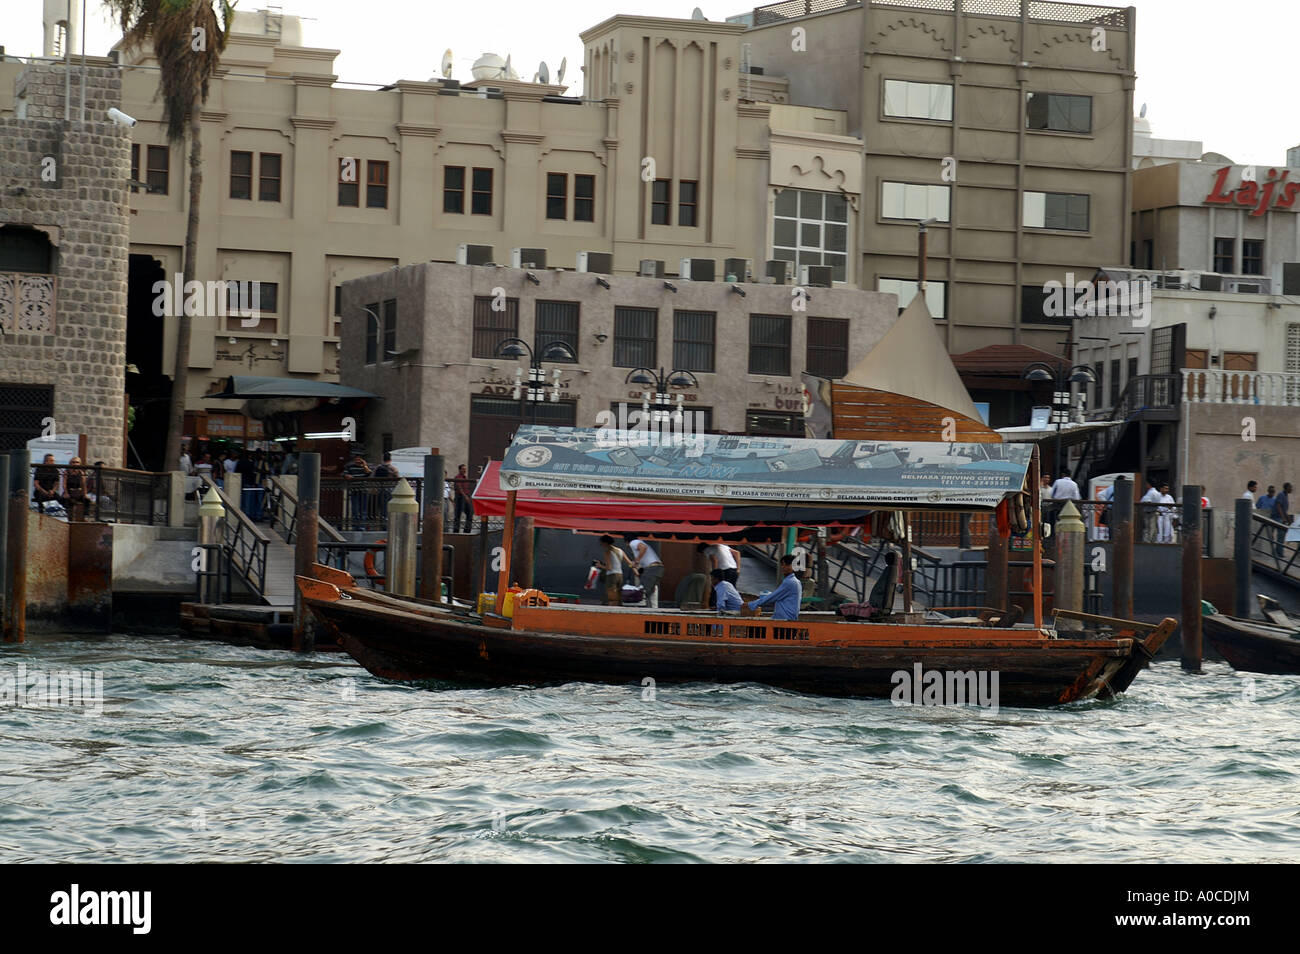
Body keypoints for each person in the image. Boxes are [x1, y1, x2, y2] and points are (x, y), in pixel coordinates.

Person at [745, 554, 802, 621]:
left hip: (784, 619)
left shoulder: (790, 582)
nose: (783, 567)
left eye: (786, 565)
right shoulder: (796, 581)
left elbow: (773, 597)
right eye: (782, 564)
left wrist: (751, 604)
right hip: (787, 618)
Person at [625, 533, 665, 608]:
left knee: (644, 592)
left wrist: (636, 561)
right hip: (658, 568)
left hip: (652, 568)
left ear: (627, 541)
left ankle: (649, 611)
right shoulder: (639, 542)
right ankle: (652, 609)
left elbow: (643, 548)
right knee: (651, 590)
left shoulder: (633, 542)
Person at [597, 534, 636, 606]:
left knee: (612, 597)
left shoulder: (608, 552)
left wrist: (600, 566)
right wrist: (636, 572)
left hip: (611, 576)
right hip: (620, 575)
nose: (600, 544)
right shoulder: (620, 550)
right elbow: (630, 563)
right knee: (618, 596)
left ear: (605, 543)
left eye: (601, 543)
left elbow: (609, 568)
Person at [343, 453, 372, 529]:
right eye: (356, 459)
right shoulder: (349, 466)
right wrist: (347, 476)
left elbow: (369, 473)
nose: (357, 461)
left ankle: (362, 526)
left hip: (363, 490)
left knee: (363, 509)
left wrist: (364, 465)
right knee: (355, 509)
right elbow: (344, 474)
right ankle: (355, 525)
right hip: (354, 489)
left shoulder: (365, 466)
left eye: (359, 459)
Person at [866, 550, 899, 616]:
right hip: (886, 605)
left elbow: (880, 587)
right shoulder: (894, 570)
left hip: (879, 604)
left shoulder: (889, 571)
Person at [235, 451, 261, 520]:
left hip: (241, 482)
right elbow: (252, 473)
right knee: (249, 500)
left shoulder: (239, 462)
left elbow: (236, 471)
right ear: (249, 456)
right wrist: (253, 483)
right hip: (249, 483)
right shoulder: (250, 463)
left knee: (243, 499)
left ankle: (243, 514)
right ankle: (248, 515)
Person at [451, 464, 475, 533]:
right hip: (460, 497)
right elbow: (459, 488)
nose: (464, 470)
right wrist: (465, 496)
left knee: (469, 513)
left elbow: (466, 488)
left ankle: (467, 529)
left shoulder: (465, 477)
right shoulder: (457, 477)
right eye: (463, 469)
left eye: (465, 469)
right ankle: (456, 530)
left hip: (466, 496)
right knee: (458, 515)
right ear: (460, 470)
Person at [63, 456, 89, 521]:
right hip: (69, 492)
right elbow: (64, 484)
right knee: (68, 501)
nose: (75, 464)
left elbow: (83, 485)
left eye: (77, 462)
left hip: (78, 492)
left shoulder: (81, 473)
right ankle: (69, 518)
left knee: (87, 500)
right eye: (73, 462)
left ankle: (85, 517)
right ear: (70, 463)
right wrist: (66, 493)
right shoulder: (66, 472)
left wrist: (85, 494)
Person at [1273, 483, 1293, 557]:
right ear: (1286, 488)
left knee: (1282, 535)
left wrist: (1289, 520)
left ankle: (1277, 551)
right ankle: (1279, 553)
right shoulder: (1281, 494)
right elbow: (1279, 506)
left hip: (1281, 517)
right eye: (1290, 487)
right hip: (1277, 517)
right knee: (1280, 534)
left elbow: (1284, 510)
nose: (1291, 489)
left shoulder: (1286, 496)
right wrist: (1283, 518)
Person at [1140, 476, 1162, 542]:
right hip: (1155, 511)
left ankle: (1147, 542)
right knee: (1154, 528)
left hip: (1149, 512)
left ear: (1149, 484)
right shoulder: (1158, 493)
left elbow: (1144, 501)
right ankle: (1153, 541)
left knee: (1148, 528)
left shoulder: (1150, 493)